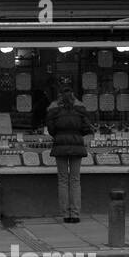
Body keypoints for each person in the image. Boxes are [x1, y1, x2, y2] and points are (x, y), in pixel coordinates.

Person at [45, 88, 93, 223]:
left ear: (60, 97)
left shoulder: (54, 111)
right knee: (75, 180)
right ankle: (75, 214)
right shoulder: (80, 110)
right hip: (77, 146)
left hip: (60, 146)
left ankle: (65, 214)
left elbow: (51, 129)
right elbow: (87, 128)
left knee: (63, 180)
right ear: (73, 97)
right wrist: (76, 134)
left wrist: (60, 134)